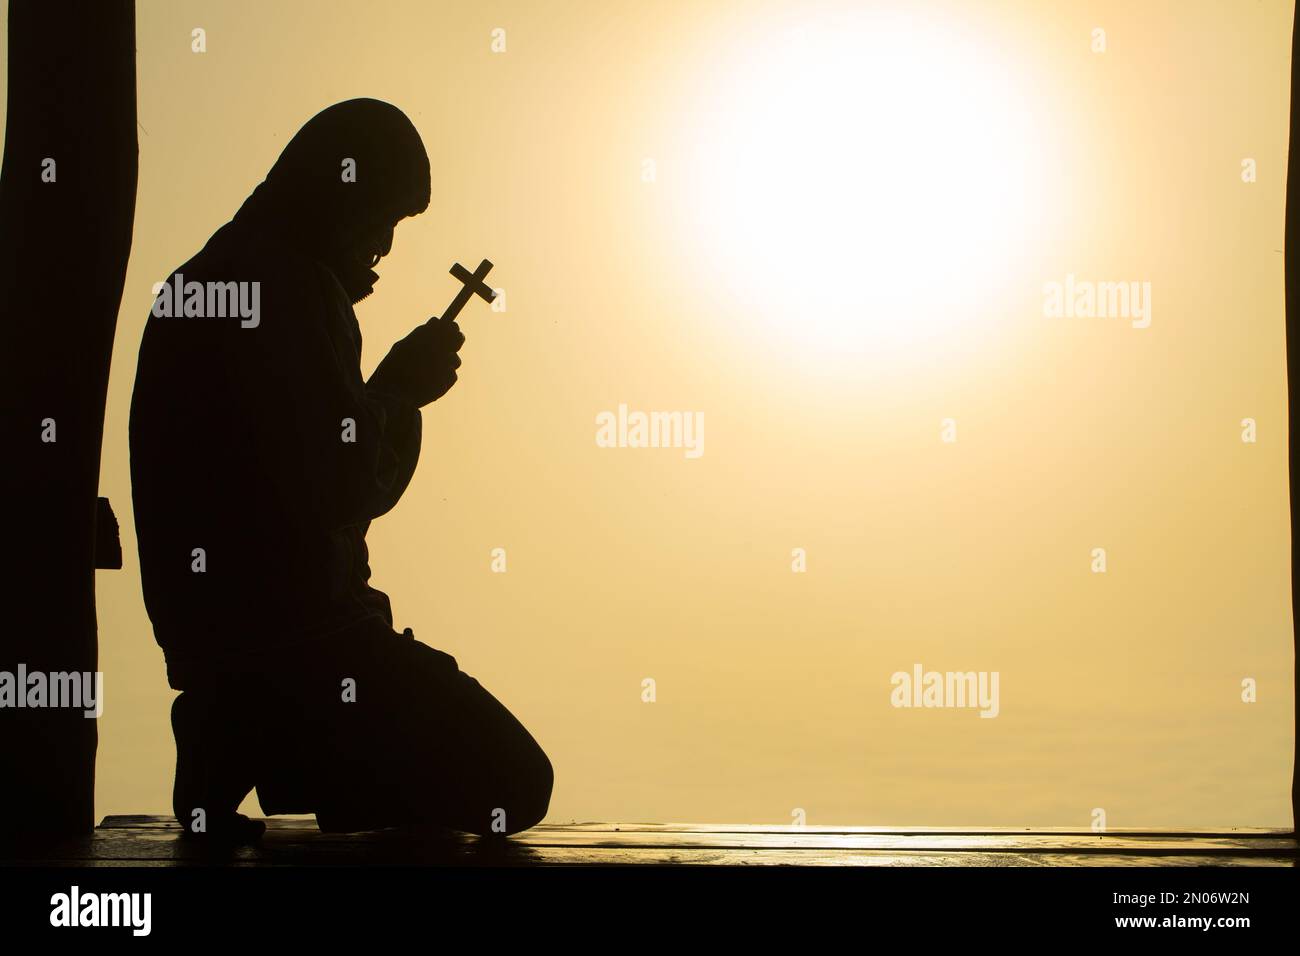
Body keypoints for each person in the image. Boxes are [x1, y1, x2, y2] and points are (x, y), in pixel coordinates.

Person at [128, 99, 552, 840]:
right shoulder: (292, 288)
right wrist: (397, 391)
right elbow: (340, 481)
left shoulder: (204, 279)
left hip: (211, 645)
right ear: (341, 191)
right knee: (515, 782)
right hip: (308, 647)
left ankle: (239, 735)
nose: (385, 244)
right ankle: (304, 747)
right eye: (382, 217)